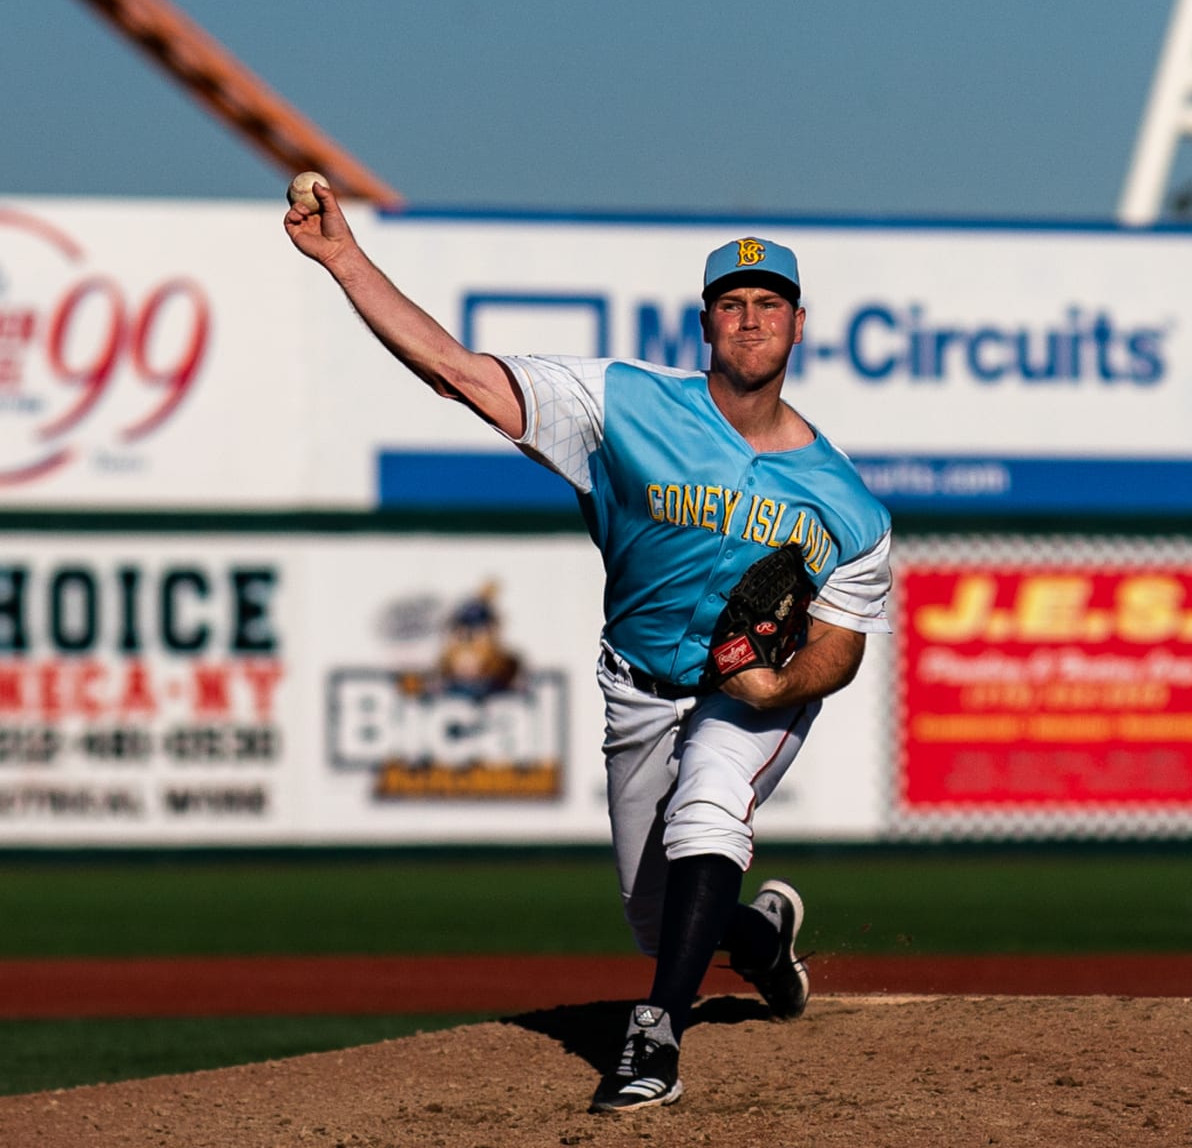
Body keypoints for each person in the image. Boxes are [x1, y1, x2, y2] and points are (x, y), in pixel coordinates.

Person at [283, 191, 892, 1113]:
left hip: (748, 695)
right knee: (660, 919)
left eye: (770, 304)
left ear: (799, 326)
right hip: (639, 685)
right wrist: (344, 260)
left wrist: (777, 685)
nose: (751, 319)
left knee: (710, 807)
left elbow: (839, 650)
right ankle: (762, 938)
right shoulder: (622, 404)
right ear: (706, 323)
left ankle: (654, 1043)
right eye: (734, 303)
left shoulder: (849, 506)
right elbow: (456, 370)